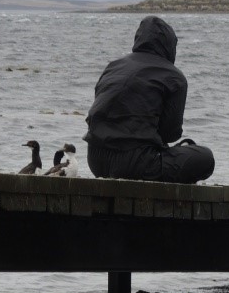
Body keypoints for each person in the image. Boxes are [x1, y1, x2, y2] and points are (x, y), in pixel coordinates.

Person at [84, 16, 215, 184]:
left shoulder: (113, 66)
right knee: (205, 158)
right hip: (135, 163)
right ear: (170, 45)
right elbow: (170, 133)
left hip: (95, 159)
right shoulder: (174, 77)